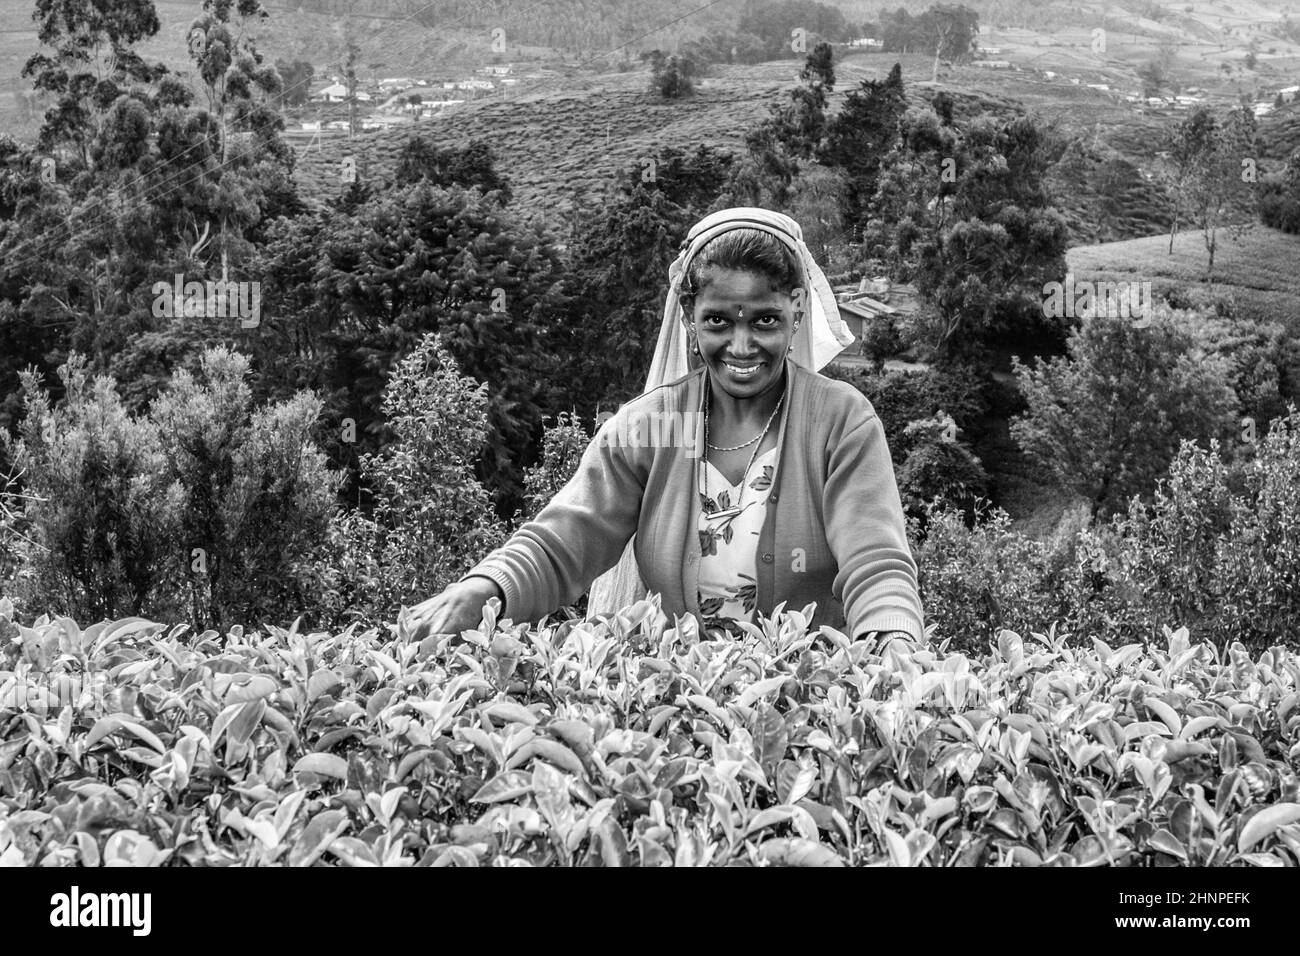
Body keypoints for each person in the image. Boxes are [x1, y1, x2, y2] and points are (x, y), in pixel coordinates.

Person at [408, 207, 924, 649]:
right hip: (679, 708)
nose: (741, 346)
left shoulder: (839, 424)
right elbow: (564, 540)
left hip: (810, 703)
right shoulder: (655, 428)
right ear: (688, 316)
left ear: (796, 307)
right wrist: (485, 588)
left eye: (764, 320)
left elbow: (875, 561)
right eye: (719, 320)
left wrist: (892, 639)